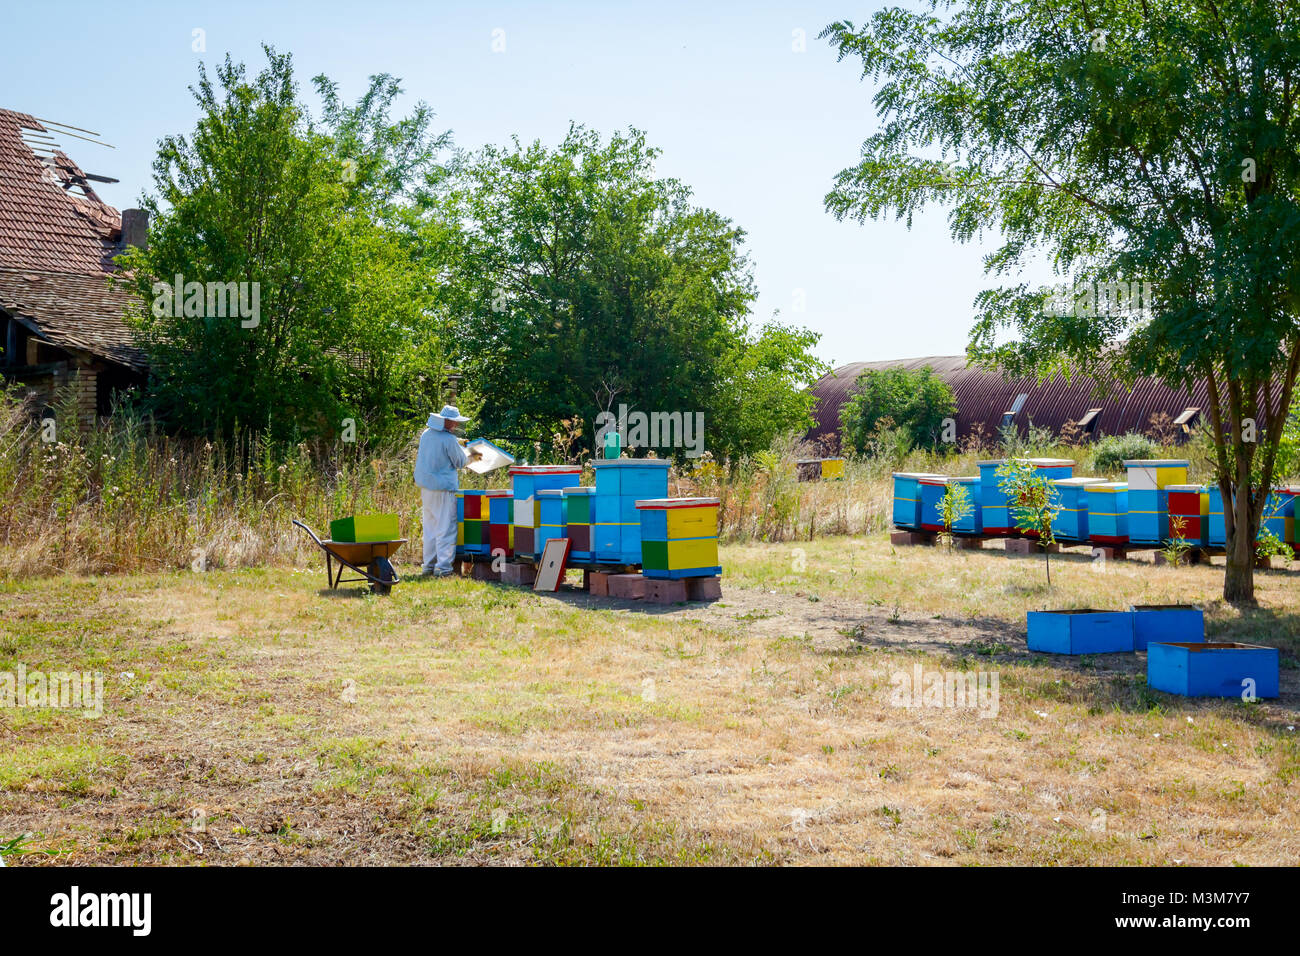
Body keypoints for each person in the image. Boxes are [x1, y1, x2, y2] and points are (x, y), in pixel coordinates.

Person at [413, 405, 480, 576]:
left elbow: (439, 450)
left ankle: (428, 567)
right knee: (445, 528)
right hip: (443, 489)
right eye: (454, 422)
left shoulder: (426, 435)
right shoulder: (448, 439)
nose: (456, 425)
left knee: (430, 528)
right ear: (446, 421)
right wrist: (472, 457)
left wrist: (459, 445)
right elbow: (459, 462)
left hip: (426, 488)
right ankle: (443, 569)